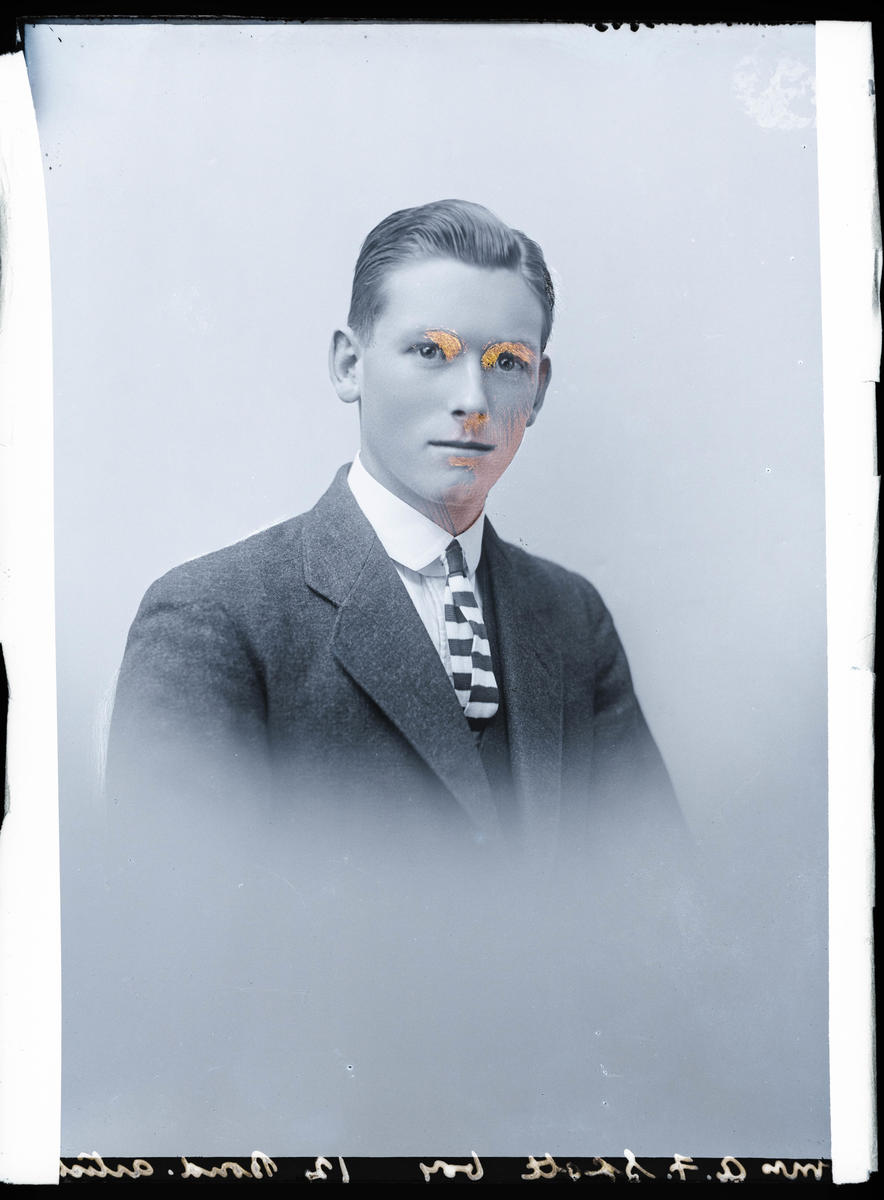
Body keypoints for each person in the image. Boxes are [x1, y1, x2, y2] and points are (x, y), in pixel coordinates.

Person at [106, 198, 679, 868]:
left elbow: (658, 900)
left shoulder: (571, 616)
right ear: (350, 365)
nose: (472, 400)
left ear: (540, 388)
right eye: (430, 351)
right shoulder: (213, 617)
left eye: (507, 362)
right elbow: (174, 932)